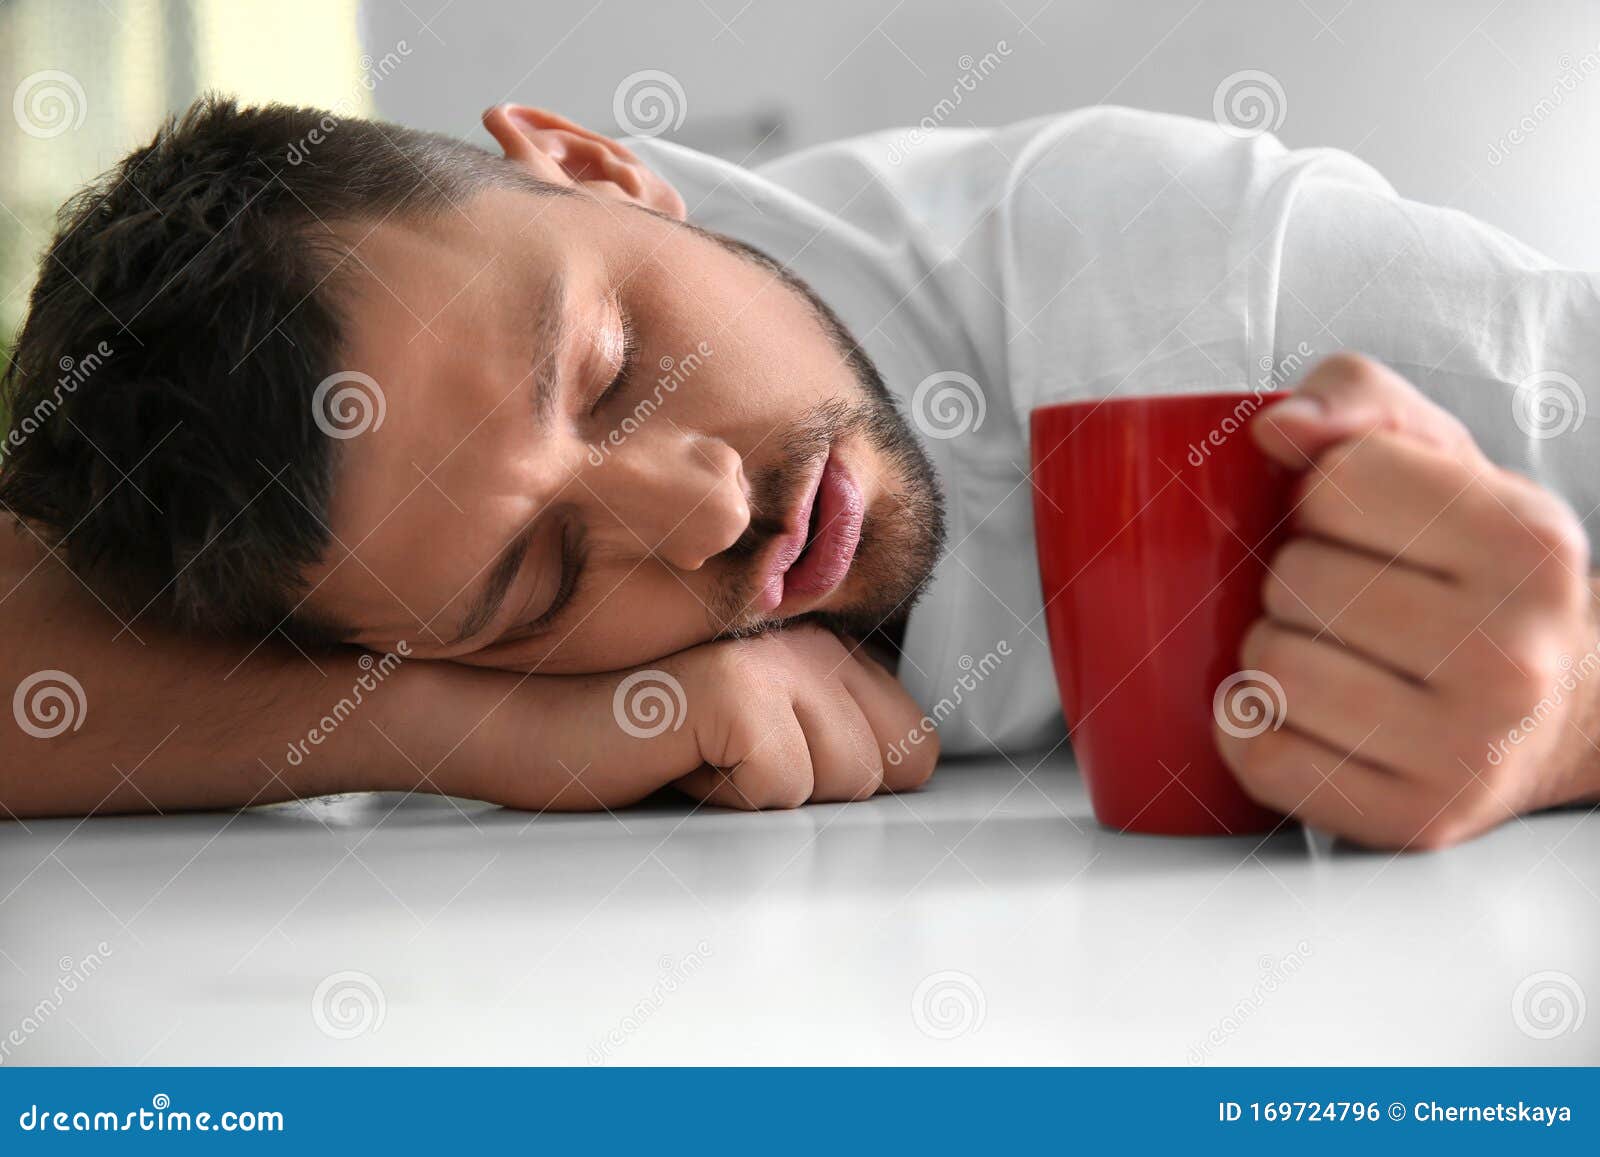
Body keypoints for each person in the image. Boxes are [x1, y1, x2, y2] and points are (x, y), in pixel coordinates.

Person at [2, 97, 1597, 848]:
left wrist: (1565, 719)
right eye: (535, 579)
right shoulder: (363, 581)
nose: (701, 512)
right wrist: (502, 726)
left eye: (612, 369)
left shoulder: (1200, 278)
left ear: (603, 167)